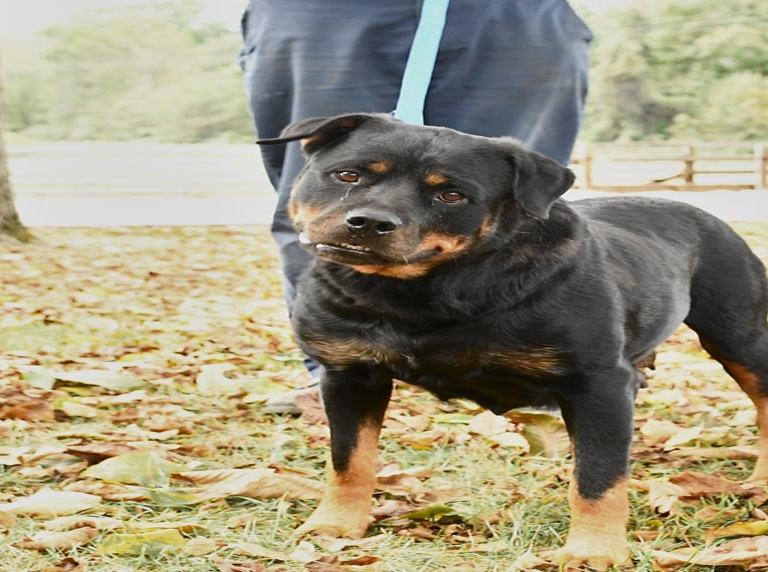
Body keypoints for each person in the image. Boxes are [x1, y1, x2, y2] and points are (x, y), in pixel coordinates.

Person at [239, 0, 591, 413]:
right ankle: (340, 369)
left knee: (519, 205)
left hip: (508, 13)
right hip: (325, 13)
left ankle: (532, 372)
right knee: (333, 207)